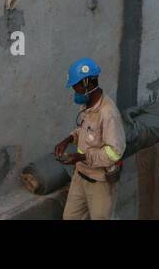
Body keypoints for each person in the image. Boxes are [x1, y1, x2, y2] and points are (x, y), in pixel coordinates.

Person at [54, 58, 127, 220]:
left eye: (76, 88)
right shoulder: (87, 105)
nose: (75, 93)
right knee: (70, 218)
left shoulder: (108, 113)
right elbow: (85, 131)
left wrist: (82, 156)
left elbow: (115, 153)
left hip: (99, 183)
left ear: (87, 84)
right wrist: (68, 139)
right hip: (80, 176)